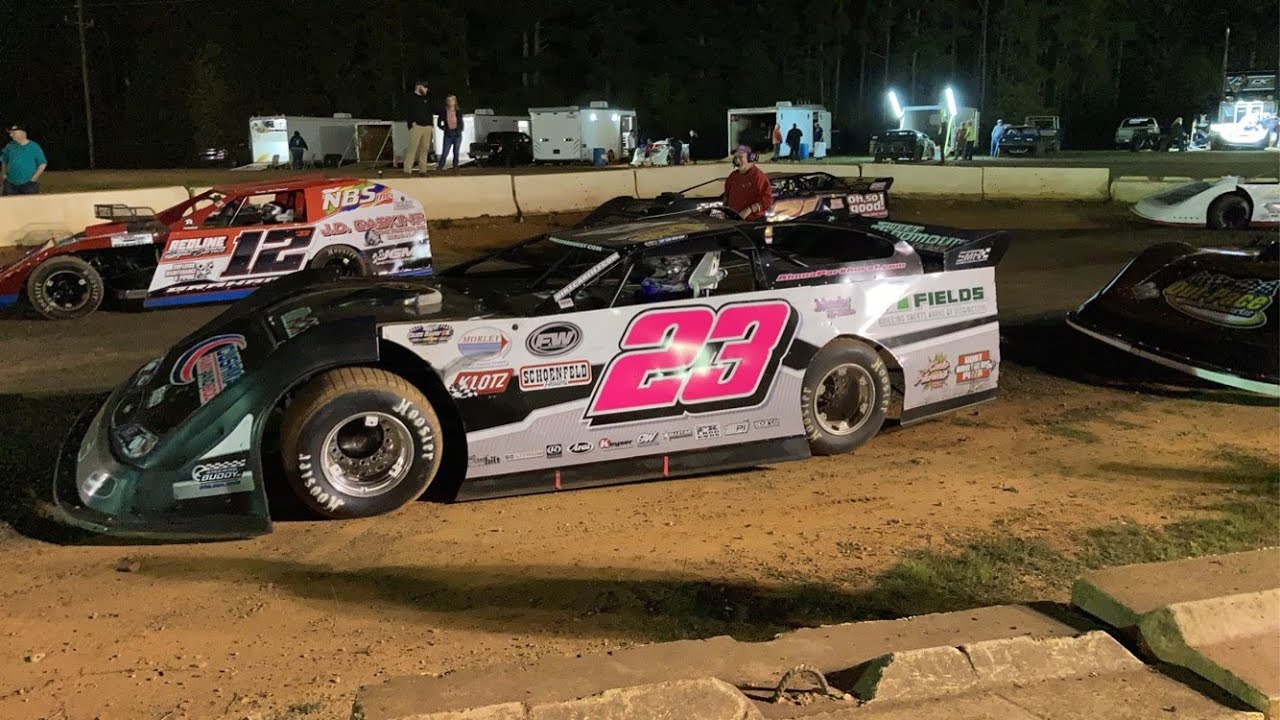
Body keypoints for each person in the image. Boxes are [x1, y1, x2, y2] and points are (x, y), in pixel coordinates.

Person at [723, 145, 774, 220]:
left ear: (750, 158)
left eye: (740, 157)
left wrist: (749, 209)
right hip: (733, 221)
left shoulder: (758, 177)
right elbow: (726, 198)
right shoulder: (732, 177)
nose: (737, 160)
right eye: (736, 157)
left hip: (752, 222)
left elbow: (768, 201)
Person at [1, 125, 47, 195]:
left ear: (22, 133)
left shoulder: (34, 146)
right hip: (10, 184)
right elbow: (4, 160)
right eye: (10, 133)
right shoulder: (9, 146)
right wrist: (4, 175)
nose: (11, 135)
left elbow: (43, 163)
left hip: (29, 185)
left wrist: (33, 178)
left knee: (29, 205)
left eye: (13, 133)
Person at [404, 80, 433, 173]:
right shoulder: (410, 97)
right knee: (412, 149)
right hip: (416, 126)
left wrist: (430, 124)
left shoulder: (426, 99)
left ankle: (423, 170)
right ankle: (407, 170)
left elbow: (429, 111)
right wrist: (411, 123)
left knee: (425, 149)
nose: (426, 89)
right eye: (424, 87)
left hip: (427, 127)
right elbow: (407, 111)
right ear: (418, 86)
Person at [436, 94, 464, 170]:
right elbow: (439, 122)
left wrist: (459, 130)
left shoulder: (458, 111)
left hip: (457, 134)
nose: (450, 102)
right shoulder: (444, 111)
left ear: (455, 102)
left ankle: (455, 166)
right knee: (445, 152)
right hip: (448, 134)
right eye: (448, 100)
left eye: (451, 100)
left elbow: (461, 122)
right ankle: (440, 166)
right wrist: (444, 128)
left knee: (456, 151)